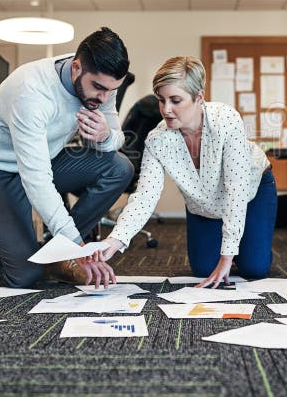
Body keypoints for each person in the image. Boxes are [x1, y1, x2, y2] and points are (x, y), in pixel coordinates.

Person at [0, 27, 135, 288]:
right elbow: (37, 179)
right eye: (98, 88)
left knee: (120, 168)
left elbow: (116, 140)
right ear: (76, 68)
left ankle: (56, 254)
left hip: (43, 160)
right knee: (24, 276)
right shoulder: (31, 92)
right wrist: (78, 248)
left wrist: (105, 136)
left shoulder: (104, 82)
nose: (105, 97)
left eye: (112, 90)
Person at [99, 56, 277, 287]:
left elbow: (236, 190)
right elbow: (145, 196)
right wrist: (115, 240)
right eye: (161, 100)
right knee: (202, 269)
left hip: (250, 191)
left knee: (255, 268)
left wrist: (227, 256)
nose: (166, 110)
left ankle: (251, 240)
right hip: (204, 204)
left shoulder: (226, 120)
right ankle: (238, 240)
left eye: (175, 100)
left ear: (199, 97)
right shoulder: (157, 139)